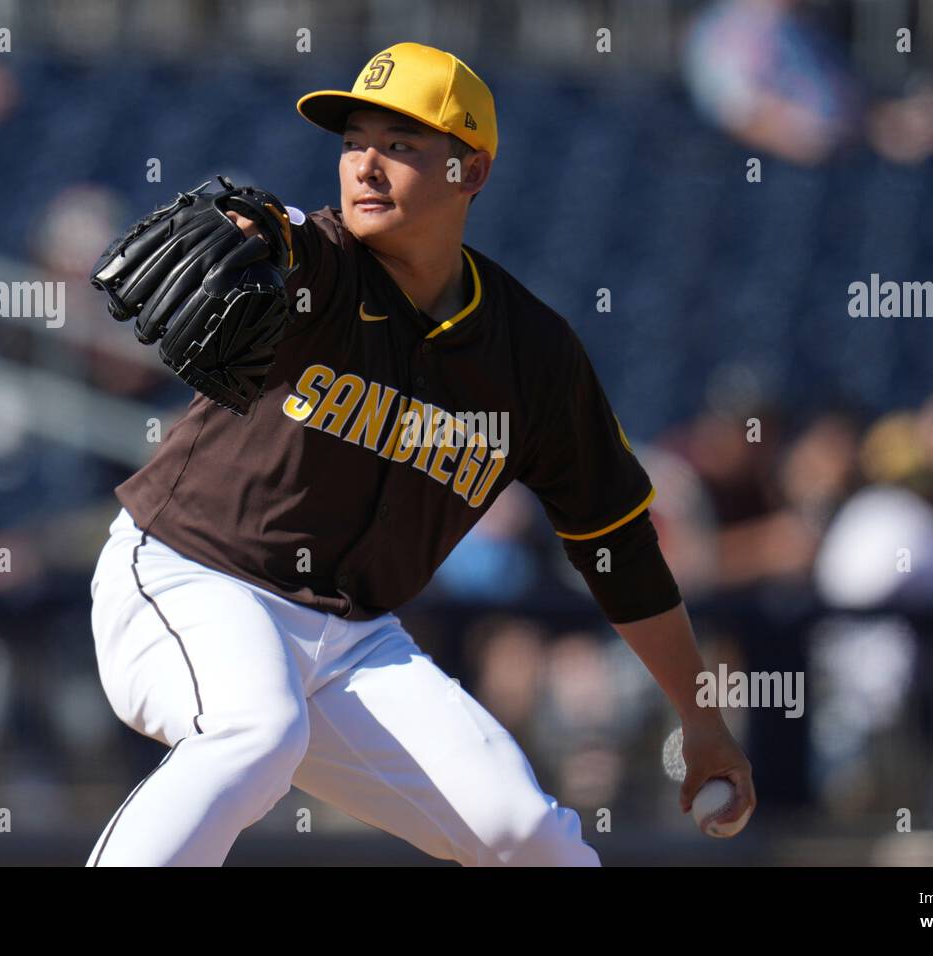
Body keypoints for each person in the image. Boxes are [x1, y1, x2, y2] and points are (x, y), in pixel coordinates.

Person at [86, 41, 755, 866]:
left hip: (352, 641)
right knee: (254, 732)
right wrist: (249, 226)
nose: (366, 166)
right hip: (190, 577)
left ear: (469, 173)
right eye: (353, 142)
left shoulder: (532, 358)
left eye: (401, 146)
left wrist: (699, 716)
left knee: (526, 834)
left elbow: (618, 547)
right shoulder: (320, 266)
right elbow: (277, 234)